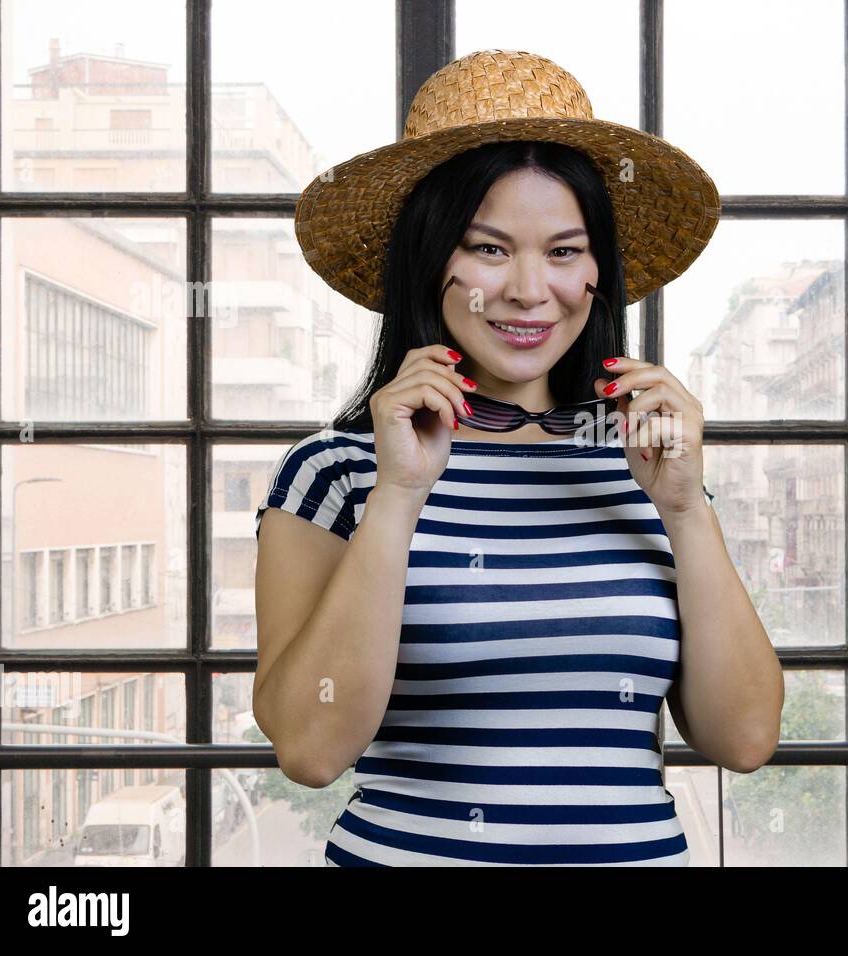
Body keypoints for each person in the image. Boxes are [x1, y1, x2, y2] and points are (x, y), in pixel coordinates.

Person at [253, 49, 783, 866]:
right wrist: (399, 493)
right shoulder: (336, 472)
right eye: (490, 249)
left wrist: (684, 509)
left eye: (564, 251)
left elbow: (744, 739)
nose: (531, 291)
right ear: (432, 262)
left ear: (598, 273)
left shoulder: (647, 462)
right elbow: (312, 751)